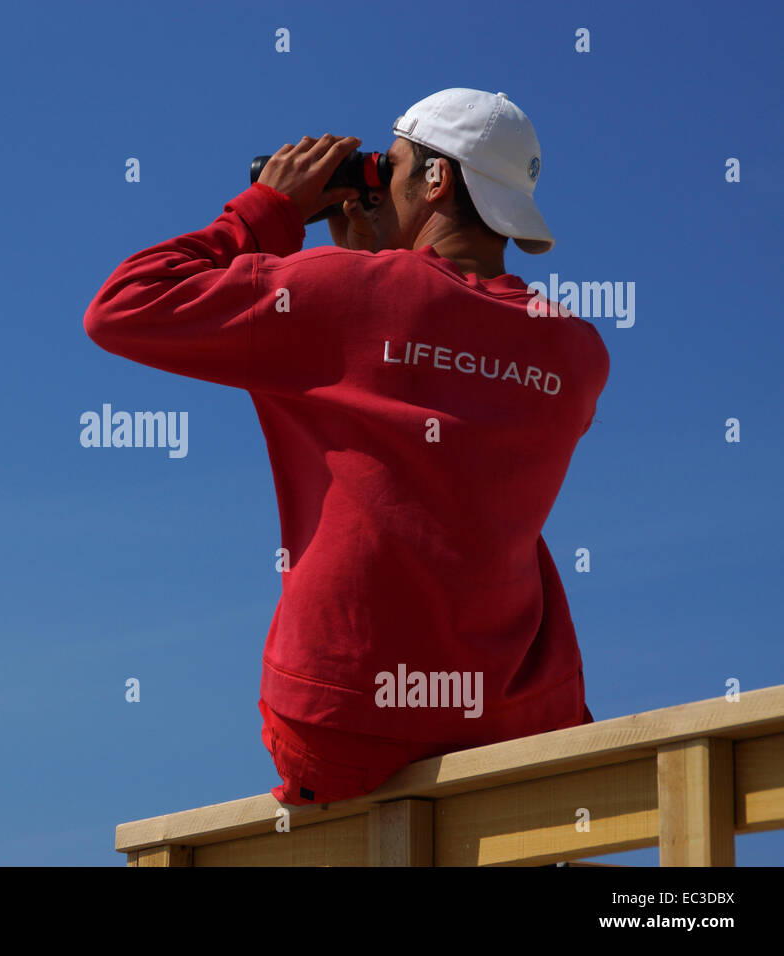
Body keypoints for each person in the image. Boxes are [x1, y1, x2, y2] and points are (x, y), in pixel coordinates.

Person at [83, 89, 609, 806]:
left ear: (437, 181)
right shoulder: (577, 352)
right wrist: (386, 262)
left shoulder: (338, 296)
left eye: (386, 166)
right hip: (517, 724)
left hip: (344, 725)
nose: (373, 181)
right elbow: (441, 379)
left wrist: (265, 211)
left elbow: (124, 306)